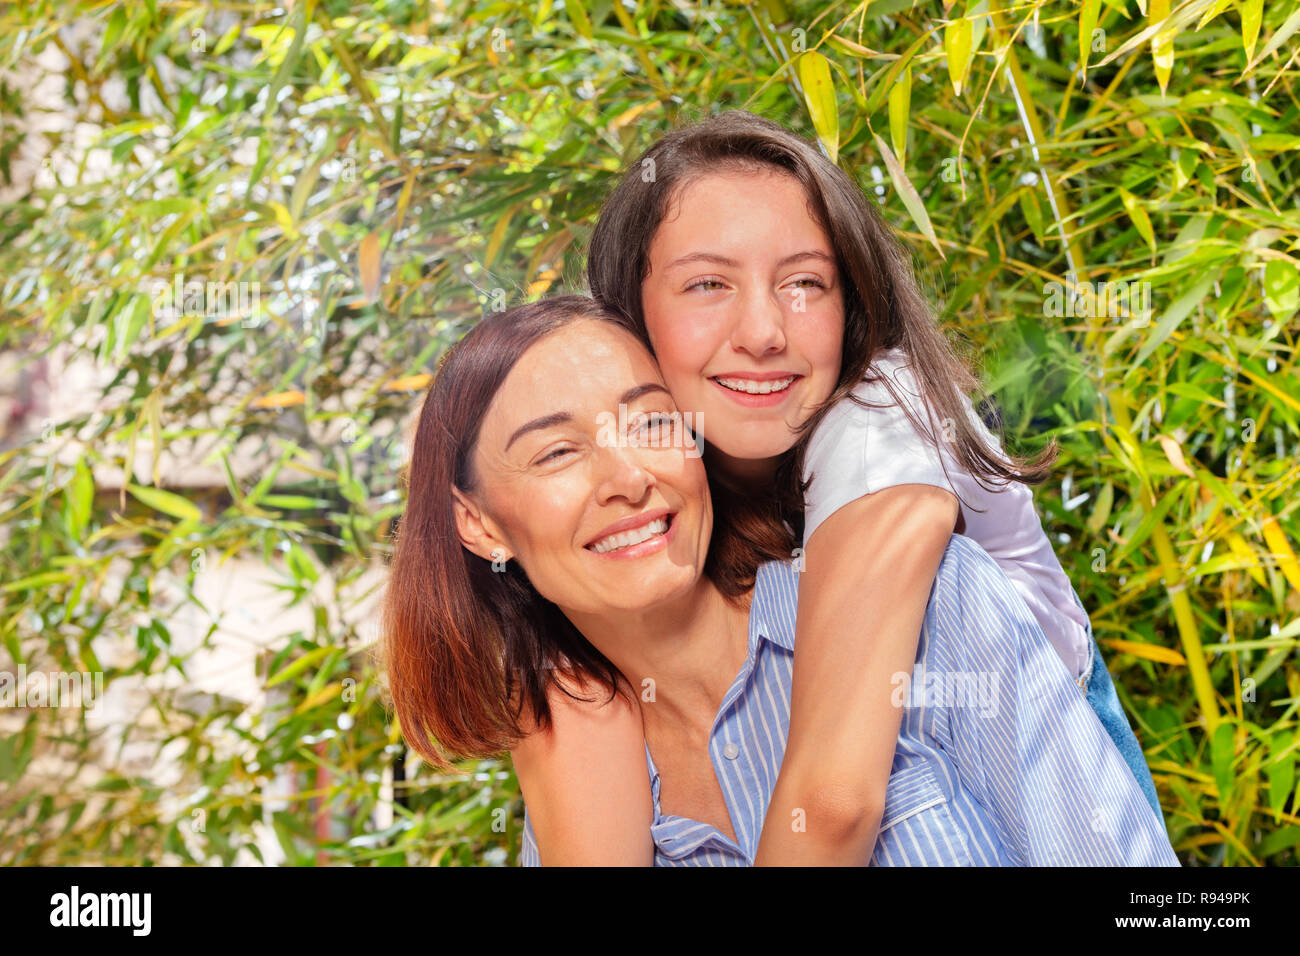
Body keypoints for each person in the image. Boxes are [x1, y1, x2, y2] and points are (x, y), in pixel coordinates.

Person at [526, 110, 1162, 864]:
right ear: (628, 314)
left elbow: (832, 800)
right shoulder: (648, 479)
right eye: (707, 283)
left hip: (1054, 762)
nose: (763, 331)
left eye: (805, 283)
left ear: (851, 302)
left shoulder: (881, 417)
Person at [379, 295, 1178, 866]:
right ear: (478, 524)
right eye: (557, 452)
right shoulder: (578, 811)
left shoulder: (933, 605)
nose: (627, 479)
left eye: (652, 422)